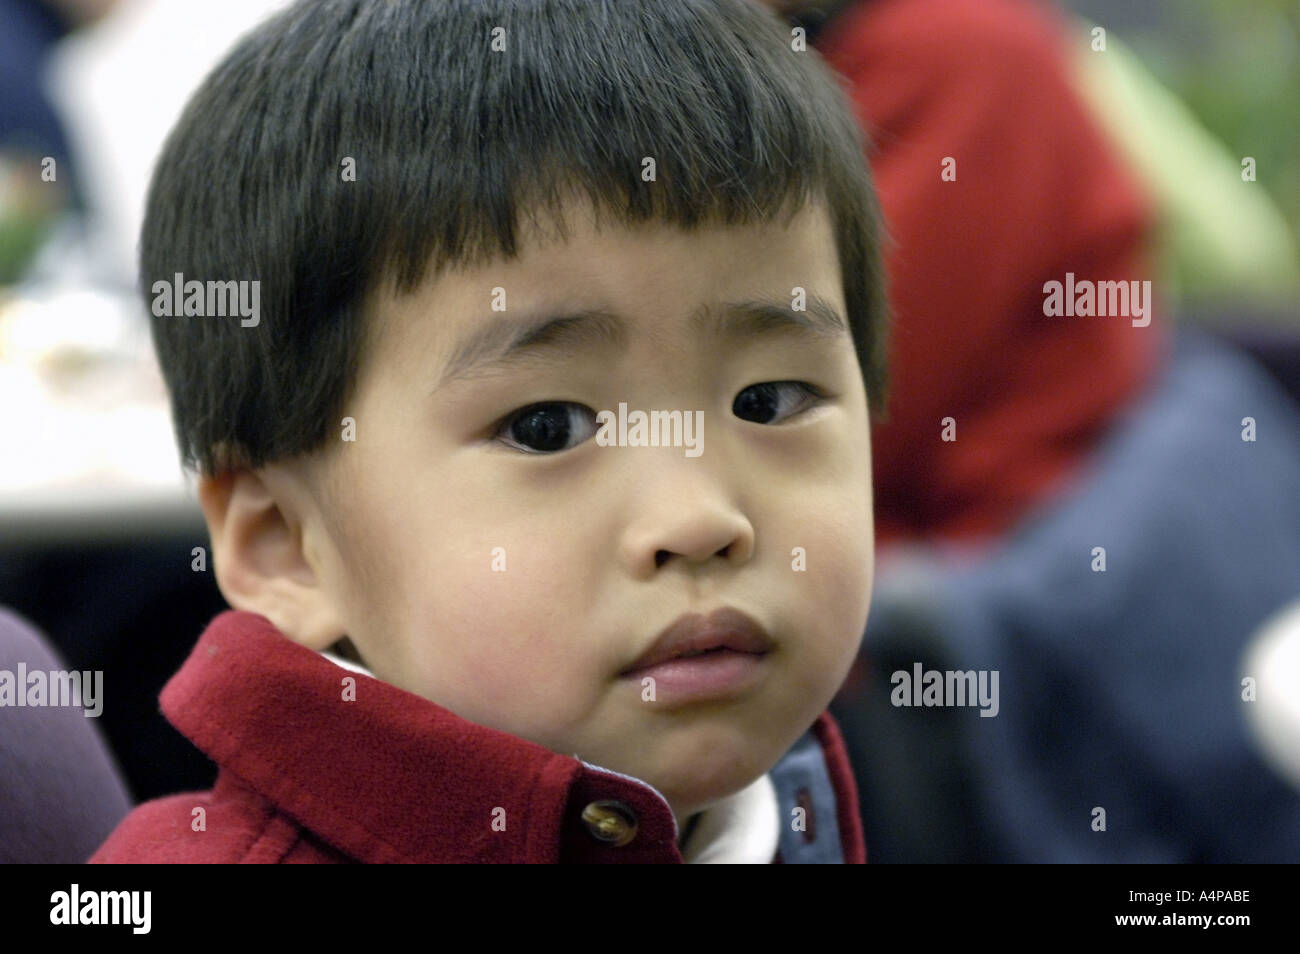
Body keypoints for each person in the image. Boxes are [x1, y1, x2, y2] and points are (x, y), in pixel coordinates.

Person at [90, 0, 889, 863]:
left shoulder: (780, 813)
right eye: (547, 428)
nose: (699, 520)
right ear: (287, 543)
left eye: (768, 401)